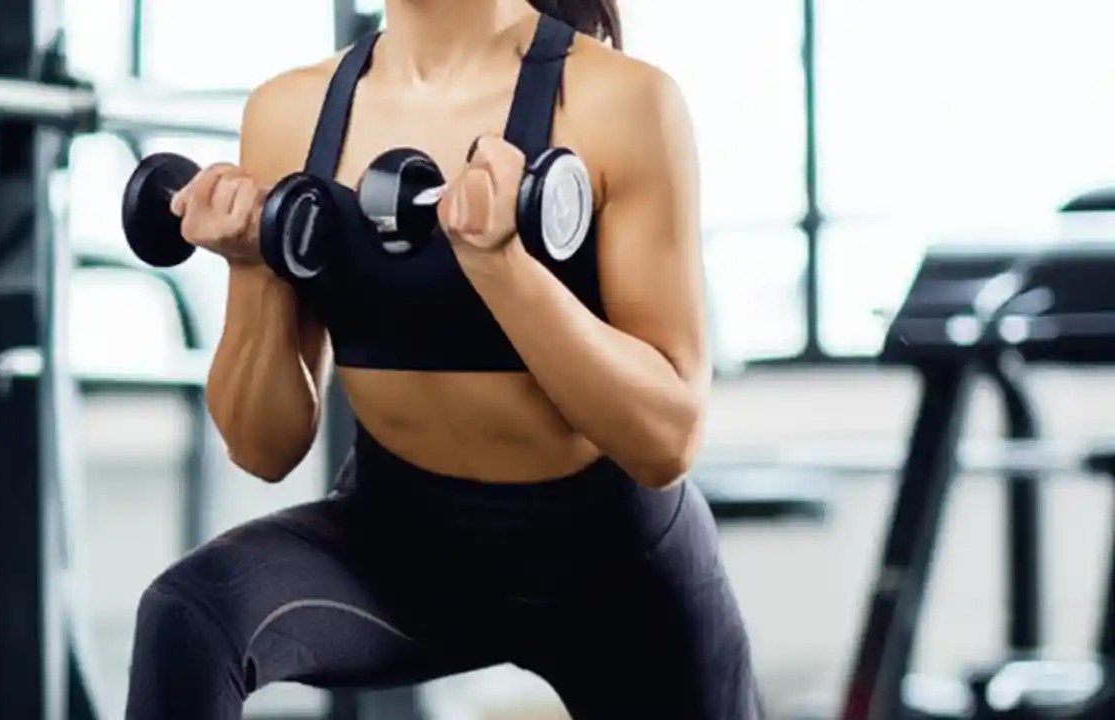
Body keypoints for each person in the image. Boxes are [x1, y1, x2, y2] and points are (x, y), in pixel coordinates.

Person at [124, 1, 761, 718]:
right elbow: (262, 448)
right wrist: (255, 263)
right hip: (404, 545)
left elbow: (666, 440)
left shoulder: (622, 102)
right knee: (189, 617)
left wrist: (501, 269)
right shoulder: (289, 112)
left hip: (614, 562)